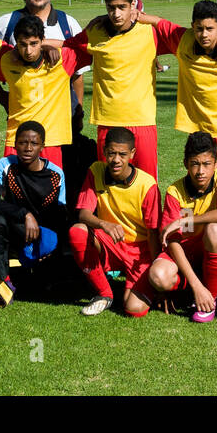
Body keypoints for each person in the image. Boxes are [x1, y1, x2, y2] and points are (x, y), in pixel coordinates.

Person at [138, 0, 217, 272]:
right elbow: (158, 22)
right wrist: (135, 15)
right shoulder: (183, 40)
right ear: (192, 28)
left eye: (211, 28)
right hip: (198, 135)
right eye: (199, 28)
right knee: (194, 192)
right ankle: (194, 251)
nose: (204, 34)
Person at [61, 0, 177, 179]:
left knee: (147, 185)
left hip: (142, 122)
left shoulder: (150, 31)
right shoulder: (95, 32)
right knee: (108, 187)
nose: (116, 14)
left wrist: (156, 20)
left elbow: (187, 38)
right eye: (111, 7)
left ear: (133, 4)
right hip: (108, 122)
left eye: (122, 7)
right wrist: (37, 43)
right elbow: (67, 45)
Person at [68, 127, 161, 316]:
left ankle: (149, 287)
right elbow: (83, 215)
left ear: (132, 154)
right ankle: (104, 293)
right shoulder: (95, 171)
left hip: (140, 251)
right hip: (111, 243)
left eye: (122, 154)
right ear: (104, 151)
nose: (116, 160)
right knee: (77, 231)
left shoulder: (147, 184)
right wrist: (104, 224)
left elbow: (153, 233)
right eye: (111, 153)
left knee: (133, 309)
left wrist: (155, 270)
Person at [147, 132, 217, 323]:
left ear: (216, 163)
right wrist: (196, 285)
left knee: (215, 230)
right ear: (186, 163)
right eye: (195, 164)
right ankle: (193, 290)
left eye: (206, 164)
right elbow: (173, 241)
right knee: (158, 276)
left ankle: (210, 298)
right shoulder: (174, 192)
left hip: (211, 249)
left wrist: (185, 220)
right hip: (185, 253)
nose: (201, 171)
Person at [0, 121, 68, 298]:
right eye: (22, 142)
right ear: (15, 145)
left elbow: (61, 215)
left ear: (42, 146)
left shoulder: (55, 174)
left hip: (42, 233)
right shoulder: (6, 164)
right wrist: (25, 214)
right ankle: (3, 280)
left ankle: (42, 269)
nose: (28, 148)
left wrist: (49, 246)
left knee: (41, 290)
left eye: (34, 143)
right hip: (16, 228)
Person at [0, 0, 87, 113]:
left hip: (61, 108)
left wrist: (78, 109)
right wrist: (3, 97)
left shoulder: (68, 23)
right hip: (24, 110)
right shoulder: (4, 23)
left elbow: (78, 72)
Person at [0, 15, 78, 167]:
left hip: (50, 141)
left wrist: (49, 46)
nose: (28, 51)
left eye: (34, 44)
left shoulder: (61, 60)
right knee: (14, 188)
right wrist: (2, 97)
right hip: (16, 139)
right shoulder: (7, 59)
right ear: (15, 42)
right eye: (23, 44)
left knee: (49, 189)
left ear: (42, 39)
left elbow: (82, 43)